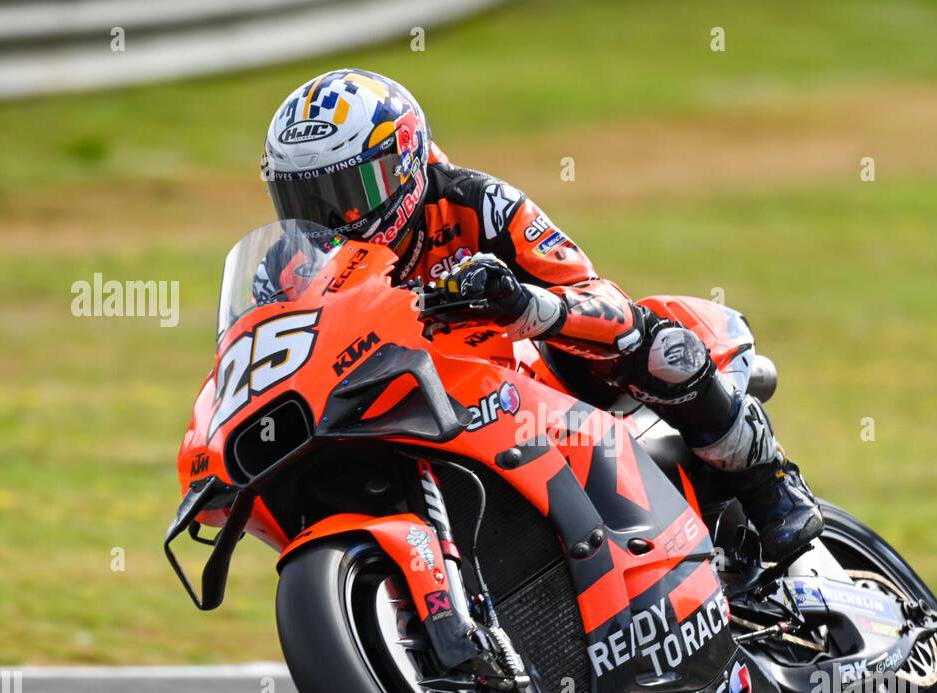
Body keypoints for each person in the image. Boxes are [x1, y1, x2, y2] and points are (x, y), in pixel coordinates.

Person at [259, 69, 822, 561]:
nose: (334, 220)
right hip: (394, 403)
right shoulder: (285, 268)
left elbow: (600, 298)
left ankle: (770, 484)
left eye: (348, 194)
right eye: (306, 202)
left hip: (524, 380)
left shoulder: (477, 201)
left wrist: (525, 305)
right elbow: (257, 357)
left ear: (404, 165)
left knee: (661, 346)